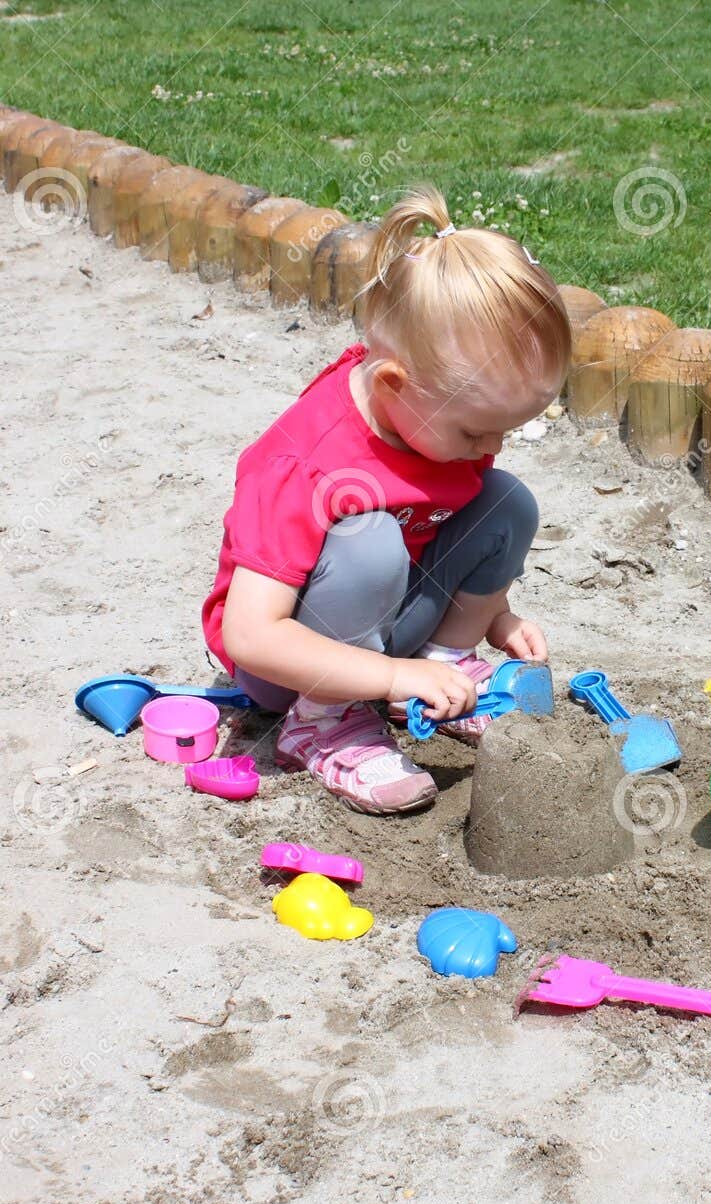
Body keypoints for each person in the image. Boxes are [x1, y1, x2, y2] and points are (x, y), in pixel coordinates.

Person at [200, 184, 571, 813]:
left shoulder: (435, 420)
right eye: (478, 431)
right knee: (367, 541)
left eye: (505, 429)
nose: (493, 446)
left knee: (506, 502)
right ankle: (322, 723)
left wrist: (495, 617)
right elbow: (251, 636)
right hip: (290, 665)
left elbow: (446, 523)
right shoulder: (306, 463)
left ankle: (445, 665)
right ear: (394, 382)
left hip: (386, 625)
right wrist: (392, 677)